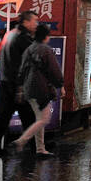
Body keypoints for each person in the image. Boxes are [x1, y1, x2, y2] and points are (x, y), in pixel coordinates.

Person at [0, 11, 38, 157]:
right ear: (26, 22)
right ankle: (35, 148)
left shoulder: (12, 34)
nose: (36, 24)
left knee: (9, 117)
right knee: (23, 117)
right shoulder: (21, 38)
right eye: (34, 21)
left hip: (7, 82)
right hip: (15, 85)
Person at [12, 24, 62, 158]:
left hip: (28, 89)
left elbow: (21, 70)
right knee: (44, 119)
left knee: (40, 118)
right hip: (41, 89)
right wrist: (60, 85)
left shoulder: (29, 49)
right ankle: (21, 140)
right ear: (46, 36)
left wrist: (20, 88)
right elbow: (54, 71)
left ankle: (40, 149)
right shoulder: (46, 50)